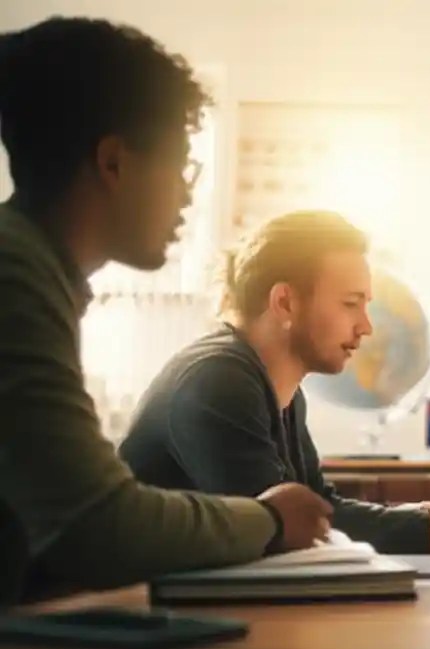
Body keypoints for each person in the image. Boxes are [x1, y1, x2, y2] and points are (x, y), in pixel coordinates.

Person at [0, 18, 332, 604]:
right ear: (113, 163)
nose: (187, 194)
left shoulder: (35, 272)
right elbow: (94, 527)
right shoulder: (15, 275)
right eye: (182, 166)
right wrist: (270, 520)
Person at [120, 211, 430, 553]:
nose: (365, 327)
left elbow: (315, 508)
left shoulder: (281, 389)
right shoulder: (217, 381)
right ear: (285, 303)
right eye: (351, 304)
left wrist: (415, 520)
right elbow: (281, 532)